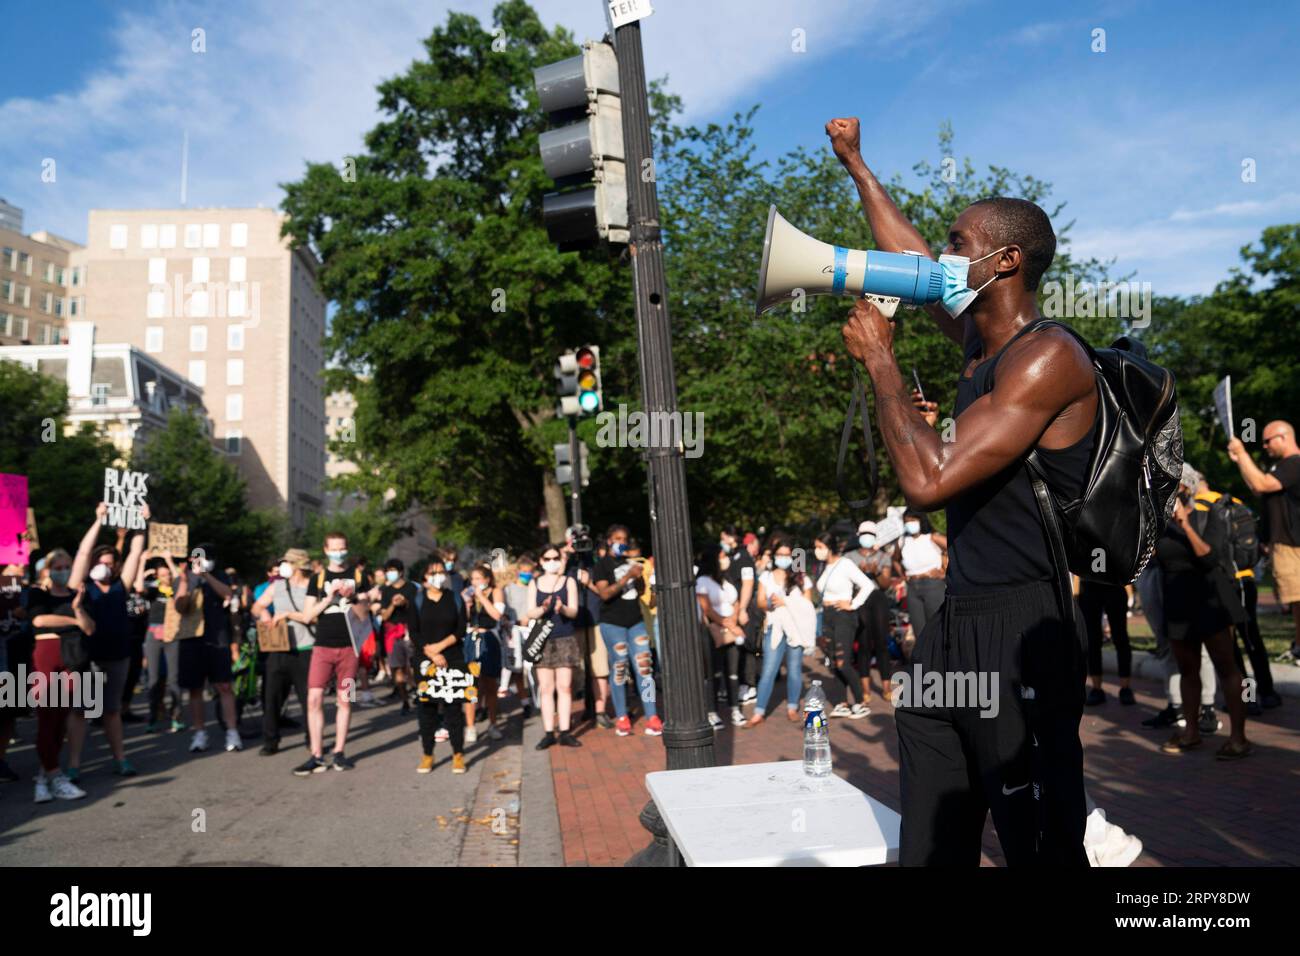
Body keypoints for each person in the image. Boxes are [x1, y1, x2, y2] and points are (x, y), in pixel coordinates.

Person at [831, 114, 1097, 864]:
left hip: (1025, 627)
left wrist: (882, 364)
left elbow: (927, 482)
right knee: (932, 836)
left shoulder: (1047, 358)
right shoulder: (983, 342)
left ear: (1007, 260)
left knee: (1037, 843)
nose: (941, 256)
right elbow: (911, 264)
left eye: (958, 244)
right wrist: (858, 166)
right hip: (959, 621)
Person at [1156, 465, 1252, 758]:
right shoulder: (1159, 524)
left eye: (1173, 487)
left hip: (1210, 599)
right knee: (1188, 669)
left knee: (1226, 667)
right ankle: (1191, 732)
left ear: (1185, 488)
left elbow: (1210, 557)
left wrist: (1185, 524)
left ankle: (1238, 737)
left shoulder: (1210, 513)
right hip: (1177, 601)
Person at [67, 501, 148, 778]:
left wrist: (141, 522)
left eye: (110, 564)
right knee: (80, 712)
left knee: (111, 711)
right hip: (87, 656)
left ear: (115, 567)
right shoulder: (82, 585)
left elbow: (136, 551)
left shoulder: (120, 586)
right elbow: (82, 552)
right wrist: (99, 519)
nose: (105, 567)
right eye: (100, 563)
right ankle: (74, 764)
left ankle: (120, 759)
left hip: (116, 655)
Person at [1192, 474, 1281, 712]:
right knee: (1252, 640)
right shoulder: (1233, 502)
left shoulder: (1201, 507)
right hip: (1246, 579)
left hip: (1225, 582)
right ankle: (1267, 692)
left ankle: (1247, 699)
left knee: (1233, 645)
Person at [290, 531, 369, 774]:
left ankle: (339, 752)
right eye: (334, 548)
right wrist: (328, 598)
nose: (339, 552)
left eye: (342, 547)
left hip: (350, 648)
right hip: (322, 646)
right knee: (313, 698)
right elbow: (306, 615)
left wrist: (352, 596)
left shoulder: (359, 576)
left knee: (346, 699)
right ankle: (316, 753)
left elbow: (364, 614)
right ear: (326, 550)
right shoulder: (318, 577)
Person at [1228, 421, 1300, 667]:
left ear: (1284, 437)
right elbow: (1258, 487)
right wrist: (1240, 462)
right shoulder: (1283, 467)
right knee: (1295, 601)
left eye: (1269, 440)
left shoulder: (1294, 463)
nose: (1265, 445)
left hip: (1294, 547)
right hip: (1287, 546)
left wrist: (1242, 452)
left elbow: (1262, 484)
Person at [26, 548, 92, 802]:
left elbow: (89, 628)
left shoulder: (78, 596)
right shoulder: (37, 593)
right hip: (46, 654)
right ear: (48, 569)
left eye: (67, 567)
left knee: (61, 719)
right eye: (58, 567)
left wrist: (77, 610)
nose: (62, 572)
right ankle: (55, 776)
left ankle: (44, 778)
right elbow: (39, 621)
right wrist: (73, 622)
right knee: (47, 717)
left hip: (72, 655)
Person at [591, 525, 662, 737]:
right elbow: (604, 594)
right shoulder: (602, 566)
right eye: (617, 538)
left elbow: (640, 592)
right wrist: (626, 577)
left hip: (636, 621)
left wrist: (640, 579)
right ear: (609, 541)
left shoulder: (630, 563)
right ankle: (622, 716)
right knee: (619, 667)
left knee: (644, 667)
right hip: (612, 623)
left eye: (625, 539)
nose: (622, 542)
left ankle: (652, 715)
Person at [173, 543, 240, 754]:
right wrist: (185, 580)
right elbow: (179, 607)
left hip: (217, 637)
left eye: (208, 557)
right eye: (200, 557)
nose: (205, 560)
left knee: (224, 686)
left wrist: (206, 577)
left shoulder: (219, 575)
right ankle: (200, 732)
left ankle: (232, 731)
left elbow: (227, 594)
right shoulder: (183, 578)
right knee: (195, 688)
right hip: (192, 639)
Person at [252, 548, 315, 755]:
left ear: (297, 565)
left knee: (308, 699)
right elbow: (256, 607)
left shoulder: (312, 586)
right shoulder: (277, 586)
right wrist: (263, 614)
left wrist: (288, 614)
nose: (282, 566)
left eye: (286, 562)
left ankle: (312, 739)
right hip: (278, 649)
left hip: (305, 649)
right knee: (271, 698)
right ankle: (270, 741)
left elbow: (313, 617)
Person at [747, 537, 815, 726]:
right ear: (774, 555)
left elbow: (809, 605)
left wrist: (787, 602)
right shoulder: (766, 577)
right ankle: (759, 711)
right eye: (780, 554)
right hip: (775, 627)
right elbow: (760, 601)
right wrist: (770, 602)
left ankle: (792, 707)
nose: (783, 558)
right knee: (769, 669)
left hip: (796, 629)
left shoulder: (801, 578)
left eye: (787, 555)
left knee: (794, 669)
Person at [413, 553, 468, 774]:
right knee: (426, 707)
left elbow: (461, 629)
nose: (438, 577)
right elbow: (414, 632)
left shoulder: (454, 598)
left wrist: (441, 647)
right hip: (425, 660)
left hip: (452, 657)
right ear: (425, 577)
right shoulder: (417, 600)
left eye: (441, 573)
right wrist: (431, 652)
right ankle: (427, 753)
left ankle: (458, 753)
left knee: (453, 708)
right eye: (433, 573)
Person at [526, 545, 582, 748]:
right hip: (543, 640)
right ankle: (549, 731)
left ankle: (565, 731)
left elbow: (574, 612)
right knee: (546, 688)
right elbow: (530, 612)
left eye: (555, 558)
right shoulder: (534, 583)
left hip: (565, 637)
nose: (552, 562)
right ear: (541, 562)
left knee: (565, 687)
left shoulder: (568, 582)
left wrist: (562, 608)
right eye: (547, 558)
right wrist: (543, 608)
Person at [814, 532, 874, 718]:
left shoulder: (845, 564)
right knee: (834, 662)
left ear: (829, 547)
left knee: (842, 661)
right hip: (828, 615)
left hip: (844, 616)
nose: (817, 551)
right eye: (816, 547)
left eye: (820, 547)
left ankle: (860, 701)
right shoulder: (824, 567)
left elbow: (867, 585)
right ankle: (842, 702)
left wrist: (852, 604)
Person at [696, 544, 747, 727]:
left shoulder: (725, 580)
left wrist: (733, 621)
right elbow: (706, 608)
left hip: (731, 630)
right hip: (713, 631)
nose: (726, 559)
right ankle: (712, 712)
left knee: (732, 672)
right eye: (722, 556)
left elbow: (735, 600)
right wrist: (727, 623)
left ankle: (735, 709)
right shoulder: (702, 581)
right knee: (714, 673)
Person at [848, 520, 898, 704]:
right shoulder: (850, 557)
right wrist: (860, 575)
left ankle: (886, 688)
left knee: (881, 642)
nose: (867, 538)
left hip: (877, 598)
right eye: (864, 535)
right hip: (860, 599)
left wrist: (876, 572)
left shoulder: (883, 556)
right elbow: (848, 582)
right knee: (863, 644)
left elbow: (885, 584)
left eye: (870, 535)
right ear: (859, 536)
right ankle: (866, 689)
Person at [140, 552, 185, 733]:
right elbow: (137, 587)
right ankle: (153, 718)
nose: (166, 577)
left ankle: (176, 717)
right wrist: (143, 563)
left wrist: (168, 560)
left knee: (173, 679)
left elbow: (180, 578)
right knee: (154, 679)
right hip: (153, 634)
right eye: (162, 575)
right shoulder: (152, 590)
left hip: (172, 634)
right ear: (157, 577)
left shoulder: (176, 589)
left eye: (168, 574)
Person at [463, 563, 506, 742]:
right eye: (473, 579)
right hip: (472, 639)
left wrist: (482, 597)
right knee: (471, 685)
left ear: (487, 579)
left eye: (478, 578)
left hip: (490, 638)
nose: (475, 582)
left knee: (490, 685)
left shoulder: (495, 591)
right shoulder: (468, 594)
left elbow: (497, 615)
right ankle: (471, 726)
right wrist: (467, 604)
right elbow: (464, 619)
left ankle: (493, 724)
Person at [1079, 577, 1134, 706]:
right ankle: (1096, 688)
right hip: (1090, 586)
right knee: (1092, 640)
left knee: (1121, 638)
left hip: (1115, 584)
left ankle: (1125, 688)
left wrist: (1129, 590)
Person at [720, 526, 759, 703]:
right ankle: (739, 684)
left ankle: (749, 685)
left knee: (747, 646)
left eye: (723, 537)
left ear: (731, 537)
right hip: (735, 608)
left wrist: (743, 609)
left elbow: (748, 584)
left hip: (746, 608)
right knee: (737, 646)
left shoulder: (743, 557)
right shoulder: (734, 556)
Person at [898, 511, 947, 645]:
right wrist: (903, 575)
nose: (909, 524)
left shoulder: (931, 537)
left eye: (913, 520)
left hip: (932, 585)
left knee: (937, 630)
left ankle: (940, 665)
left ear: (921, 520)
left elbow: (953, 547)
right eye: (906, 521)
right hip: (913, 587)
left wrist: (944, 571)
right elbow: (895, 560)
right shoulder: (903, 541)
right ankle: (920, 667)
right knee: (919, 632)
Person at [376, 558, 418, 714]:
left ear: (401, 572)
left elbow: (417, 609)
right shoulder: (386, 591)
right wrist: (393, 604)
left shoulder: (412, 588)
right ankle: (404, 700)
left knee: (413, 666)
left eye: (393, 570)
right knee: (397, 668)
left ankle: (416, 691)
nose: (390, 574)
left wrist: (405, 602)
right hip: (392, 633)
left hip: (409, 631)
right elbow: (385, 616)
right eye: (388, 571)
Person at [502, 556, 537, 716]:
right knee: (517, 670)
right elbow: (505, 612)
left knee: (534, 667)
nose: (527, 575)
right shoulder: (508, 589)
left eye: (529, 572)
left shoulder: (534, 587)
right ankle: (525, 703)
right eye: (524, 572)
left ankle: (537, 698)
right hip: (515, 630)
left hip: (531, 629)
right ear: (517, 572)